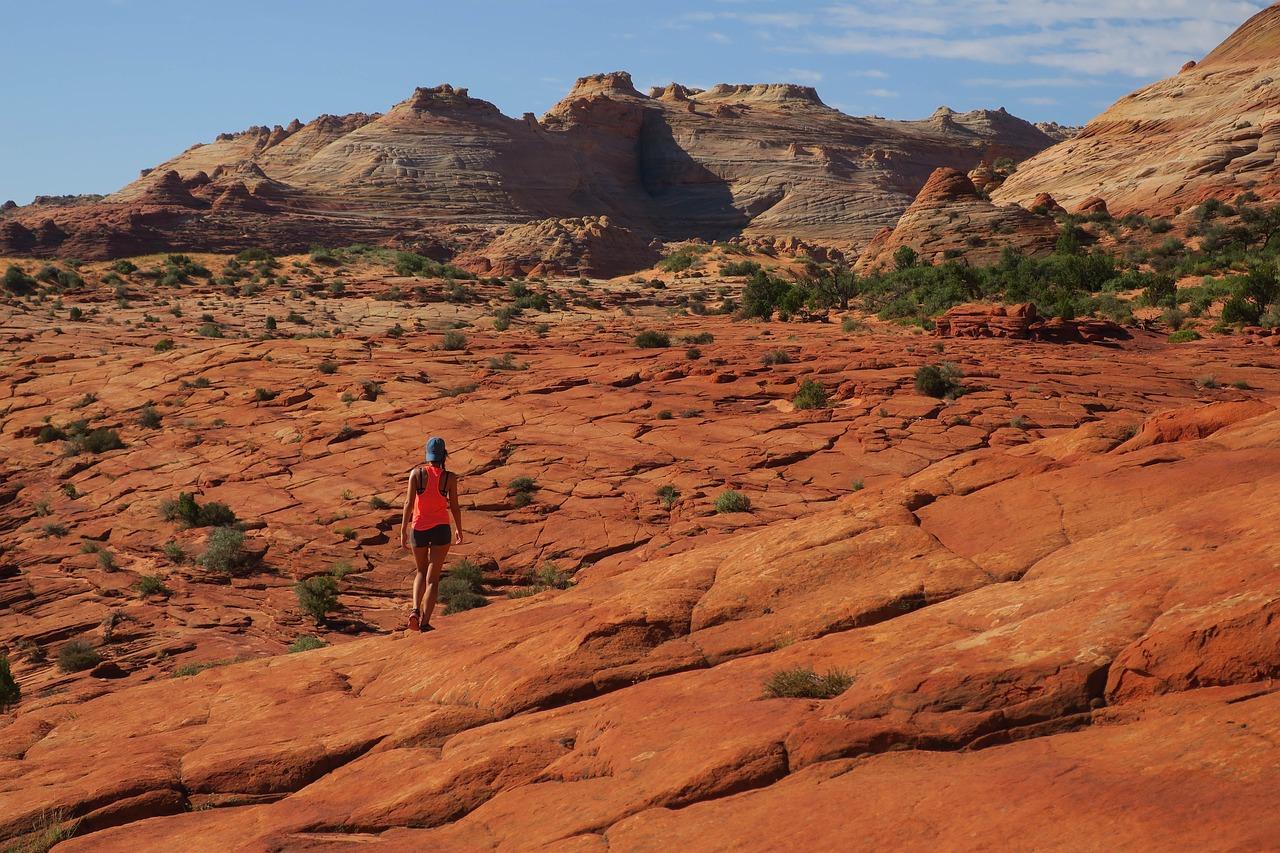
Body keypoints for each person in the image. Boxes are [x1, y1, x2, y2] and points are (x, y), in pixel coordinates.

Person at [400, 436, 463, 631]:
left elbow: (408, 503)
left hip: (418, 528)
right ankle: (425, 622)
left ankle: (414, 610)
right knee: (433, 578)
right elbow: (455, 506)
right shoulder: (449, 478)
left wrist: (403, 530)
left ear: (427, 455)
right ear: (444, 455)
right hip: (441, 529)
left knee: (420, 571)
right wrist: (459, 529)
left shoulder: (416, 474)